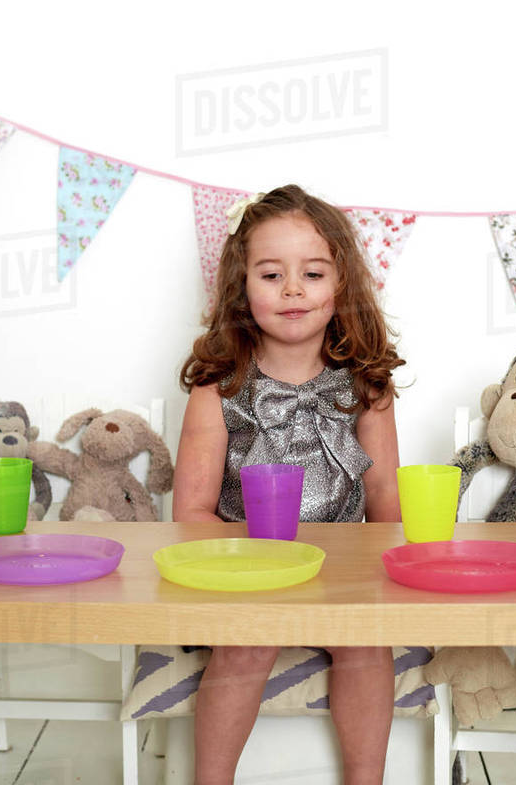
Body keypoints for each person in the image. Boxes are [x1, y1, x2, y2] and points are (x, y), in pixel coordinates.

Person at [174, 184, 405, 785]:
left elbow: (386, 503)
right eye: (272, 274)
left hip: (342, 571)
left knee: (366, 642)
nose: (294, 290)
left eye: (313, 273)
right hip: (247, 569)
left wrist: (383, 580)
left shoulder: (366, 384)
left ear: (341, 286)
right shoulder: (219, 387)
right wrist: (248, 565)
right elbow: (191, 510)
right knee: (246, 644)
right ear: (241, 287)